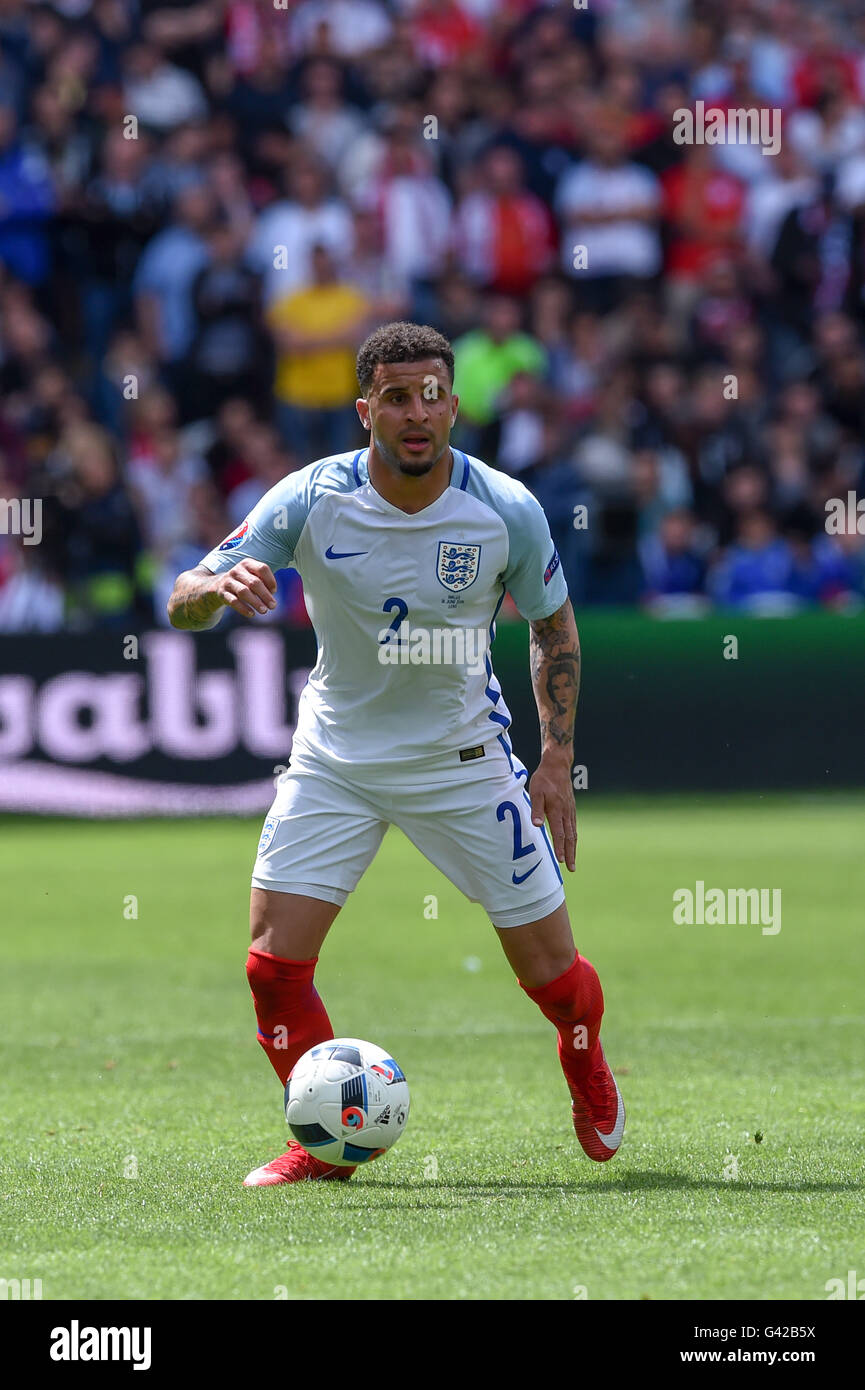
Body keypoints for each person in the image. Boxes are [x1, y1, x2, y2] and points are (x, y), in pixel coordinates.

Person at [166, 321, 624, 1186]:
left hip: (462, 761)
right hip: (335, 760)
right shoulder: (309, 497)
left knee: (554, 976)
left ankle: (585, 1063)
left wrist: (555, 758)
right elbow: (182, 596)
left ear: (453, 403)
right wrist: (216, 591)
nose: (417, 413)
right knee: (271, 966)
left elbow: (552, 626)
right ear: (363, 409)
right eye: (396, 397)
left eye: (432, 395)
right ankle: (325, 1143)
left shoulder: (504, 508)